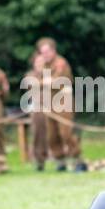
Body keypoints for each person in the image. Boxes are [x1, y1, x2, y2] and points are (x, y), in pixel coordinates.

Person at [29, 37, 84, 171]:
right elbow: (34, 82)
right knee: (52, 135)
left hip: (63, 101)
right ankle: (60, 160)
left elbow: (59, 81)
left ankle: (78, 161)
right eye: (42, 52)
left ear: (53, 50)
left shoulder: (60, 63)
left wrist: (46, 81)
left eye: (47, 51)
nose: (45, 55)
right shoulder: (43, 66)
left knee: (66, 133)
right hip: (50, 102)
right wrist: (45, 81)